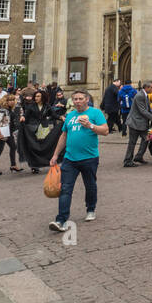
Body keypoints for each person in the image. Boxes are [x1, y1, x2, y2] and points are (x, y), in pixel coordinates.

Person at [49, 90, 109, 230]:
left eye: (80, 98)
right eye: (75, 99)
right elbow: (64, 136)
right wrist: (55, 155)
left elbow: (105, 131)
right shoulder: (70, 116)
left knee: (90, 185)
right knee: (65, 188)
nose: (77, 101)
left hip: (89, 158)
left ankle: (90, 209)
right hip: (70, 159)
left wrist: (90, 126)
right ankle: (61, 221)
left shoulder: (95, 113)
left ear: (86, 99)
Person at [19, 90, 60, 173]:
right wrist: (23, 117)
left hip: (44, 128)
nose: (36, 98)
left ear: (42, 97)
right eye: (35, 96)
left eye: (38, 96)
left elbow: (54, 115)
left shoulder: (47, 106)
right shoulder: (31, 106)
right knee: (34, 147)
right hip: (33, 128)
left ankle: (46, 161)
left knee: (45, 146)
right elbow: (26, 114)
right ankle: (34, 165)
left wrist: (61, 117)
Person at [123, 81, 152, 166]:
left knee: (146, 139)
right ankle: (127, 161)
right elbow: (142, 110)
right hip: (135, 123)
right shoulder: (140, 96)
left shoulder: (145, 95)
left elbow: (148, 108)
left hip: (141, 123)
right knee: (132, 142)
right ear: (147, 88)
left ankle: (139, 156)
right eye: (151, 87)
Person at [0, 94, 23, 175]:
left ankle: (13, 165)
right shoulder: (2, 110)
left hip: (8, 132)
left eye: (13, 100)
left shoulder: (9, 109)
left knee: (13, 147)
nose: (12, 102)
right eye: (10, 100)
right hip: (3, 133)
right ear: (6, 101)